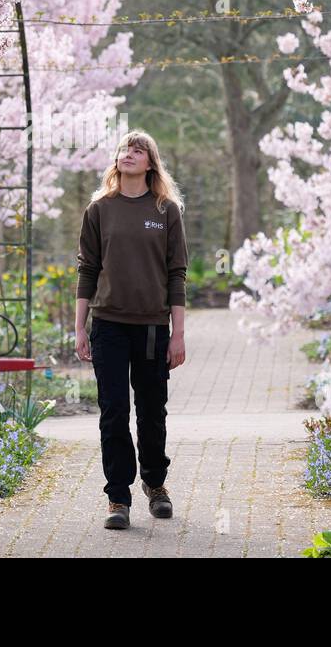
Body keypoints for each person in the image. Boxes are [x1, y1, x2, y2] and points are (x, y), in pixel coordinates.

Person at [75, 130, 188, 530]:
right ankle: (118, 499)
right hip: (108, 325)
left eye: (138, 150)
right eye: (125, 149)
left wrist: (178, 333)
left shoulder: (166, 210)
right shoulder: (100, 209)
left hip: (153, 328)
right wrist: (80, 328)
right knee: (114, 412)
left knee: (152, 412)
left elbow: (177, 274)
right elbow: (87, 271)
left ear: (151, 163)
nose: (129, 154)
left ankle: (156, 485)